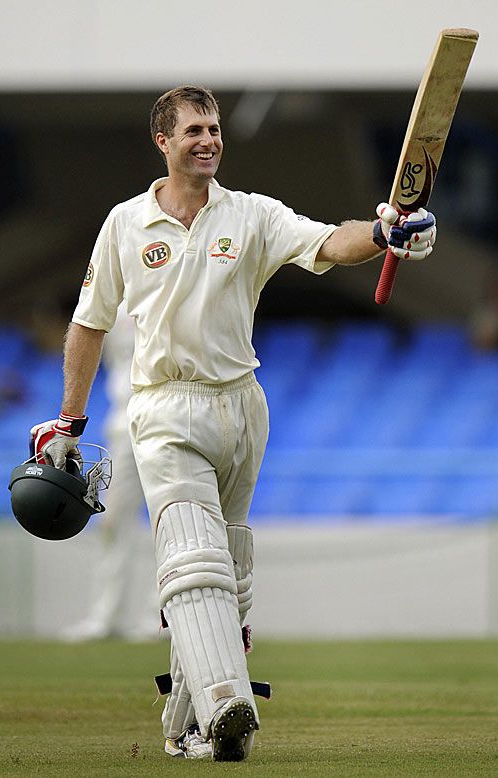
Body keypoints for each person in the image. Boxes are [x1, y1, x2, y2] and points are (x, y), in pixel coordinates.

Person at [29, 85, 436, 761]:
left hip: (241, 406)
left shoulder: (251, 215)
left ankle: (188, 726)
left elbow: (332, 243)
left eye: (215, 128)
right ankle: (229, 699)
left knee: (229, 571)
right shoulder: (126, 224)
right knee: (194, 559)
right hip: (160, 408)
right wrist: (69, 421)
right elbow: (89, 324)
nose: (209, 139)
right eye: (194, 130)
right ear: (163, 141)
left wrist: (386, 231)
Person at [61, 305, 159, 641]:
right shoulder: (111, 301)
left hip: (166, 420)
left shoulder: (169, 283)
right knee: (112, 520)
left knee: (172, 520)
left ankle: (161, 619)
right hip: (123, 424)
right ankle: (106, 617)